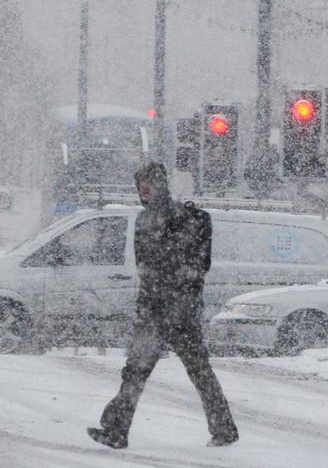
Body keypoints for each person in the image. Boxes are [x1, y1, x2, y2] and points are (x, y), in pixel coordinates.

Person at [88, 162, 239, 449]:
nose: (144, 192)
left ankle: (117, 427)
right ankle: (222, 427)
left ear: (160, 186)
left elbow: (162, 269)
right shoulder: (167, 219)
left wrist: (157, 302)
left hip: (167, 310)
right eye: (140, 187)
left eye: (148, 185)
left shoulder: (167, 220)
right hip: (174, 309)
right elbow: (160, 269)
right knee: (187, 370)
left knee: (141, 371)